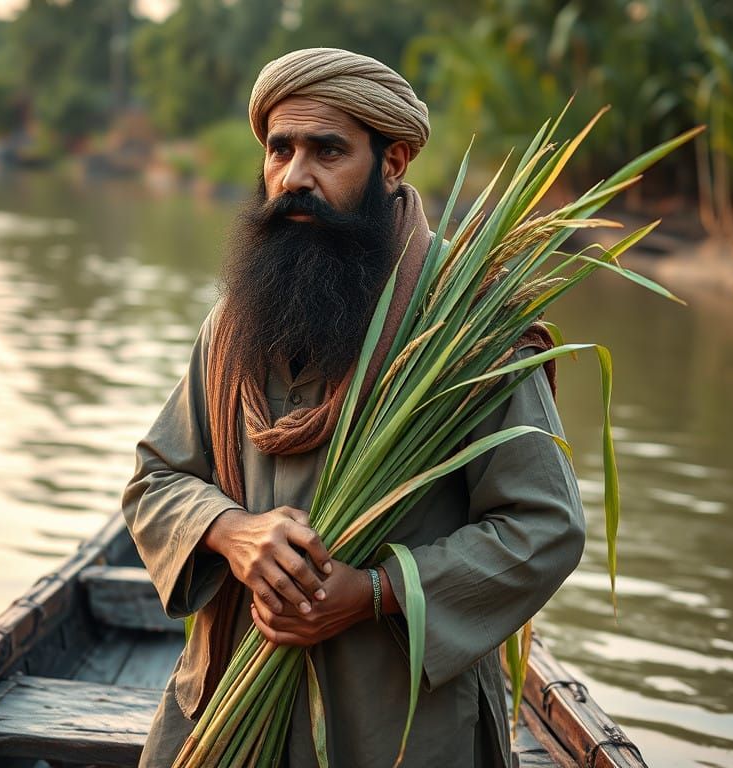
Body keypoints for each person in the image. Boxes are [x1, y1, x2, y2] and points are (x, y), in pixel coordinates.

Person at [122, 47, 585, 768]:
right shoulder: (237, 322)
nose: (295, 177)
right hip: (227, 713)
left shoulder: (463, 328)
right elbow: (156, 482)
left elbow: (545, 527)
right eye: (280, 150)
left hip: (398, 731)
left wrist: (374, 591)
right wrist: (232, 532)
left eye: (327, 151)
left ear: (393, 161)